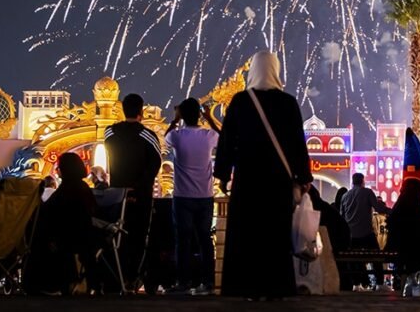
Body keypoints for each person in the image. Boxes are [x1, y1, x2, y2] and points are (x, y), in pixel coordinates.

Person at [214, 51, 313, 299]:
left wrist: (223, 175)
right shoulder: (288, 103)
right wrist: (303, 177)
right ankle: (275, 288)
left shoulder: (239, 102)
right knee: (274, 235)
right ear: (275, 70)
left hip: (247, 179)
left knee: (247, 234)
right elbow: (296, 144)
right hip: (277, 182)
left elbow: (226, 141)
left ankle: (246, 287)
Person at [105, 92, 162, 291]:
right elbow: (156, 162)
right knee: (139, 236)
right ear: (141, 111)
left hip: (116, 194)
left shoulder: (110, 132)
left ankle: (114, 278)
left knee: (116, 236)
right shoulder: (147, 135)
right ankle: (132, 277)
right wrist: (141, 185)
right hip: (141, 195)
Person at [165, 98, 220, 295]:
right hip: (205, 196)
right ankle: (208, 282)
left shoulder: (177, 136)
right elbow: (223, 136)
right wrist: (209, 117)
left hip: (182, 197)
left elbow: (165, 137)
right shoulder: (208, 135)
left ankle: (183, 282)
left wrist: (174, 119)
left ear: (182, 115)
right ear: (199, 114)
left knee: (183, 241)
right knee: (205, 240)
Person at [23, 152, 97, 295]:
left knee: (37, 240)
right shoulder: (80, 187)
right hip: (77, 234)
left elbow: (52, 211)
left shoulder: (68, 189)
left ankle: (46, 284)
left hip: (68, 236)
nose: (57, 170)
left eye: (59, 167)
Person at [385, 178, 420, 294]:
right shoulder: (416, 207)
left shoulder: (399, 206)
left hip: (397, 247)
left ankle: (410, 280)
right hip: (413, 249)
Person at [342, 172, 391, 290]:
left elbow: (342, 216)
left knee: (354, 260)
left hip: (352, 234)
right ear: (363, 181)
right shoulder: (367, 192)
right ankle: (380, 283)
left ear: (353, 182)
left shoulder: (345, 196)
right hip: (366, 232)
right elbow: (378, 208)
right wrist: (392, 211)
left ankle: (356, 284)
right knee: (376, 257)